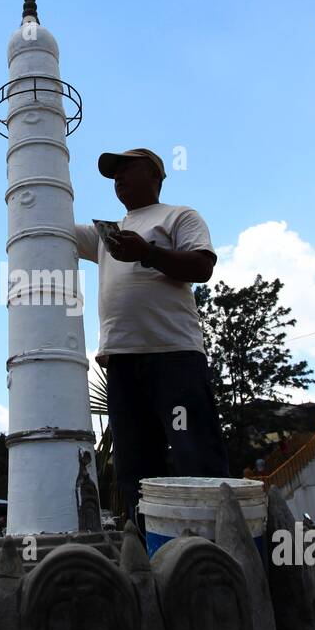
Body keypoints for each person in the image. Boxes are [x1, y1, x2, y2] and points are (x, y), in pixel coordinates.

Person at [74, 148, 229, 525]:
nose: (119, 178)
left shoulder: (179, 216)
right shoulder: (105, 235)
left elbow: (202, 266)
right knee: (136, 464)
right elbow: (53, 225)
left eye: (128, 168)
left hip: (173, 356)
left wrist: (148, 252)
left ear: (156, 176)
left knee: (194, 450)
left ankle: (216, 548)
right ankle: (149, 550)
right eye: (115, 174)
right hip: (122, 361)